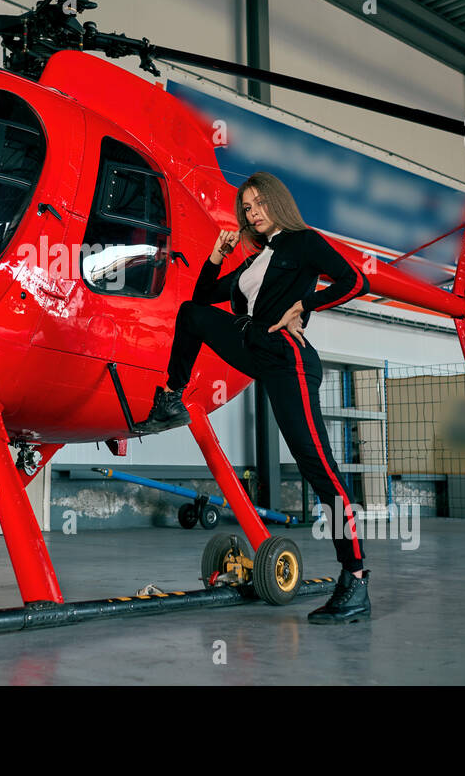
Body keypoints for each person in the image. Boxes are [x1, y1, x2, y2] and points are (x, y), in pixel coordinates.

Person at [136, 170, 373, 623]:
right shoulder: (255, 261)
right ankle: (170, 397)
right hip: (252, 344)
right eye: (246, 207)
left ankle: (355, 579)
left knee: (317, 467)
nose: (252, 212)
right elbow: (206, 296)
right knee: (191, 314)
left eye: (259, 203)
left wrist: (305, 306)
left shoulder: (304, 241)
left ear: (276, 202)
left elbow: (355, 281)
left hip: (288, 360)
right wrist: (215, 255)